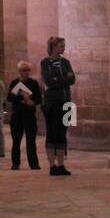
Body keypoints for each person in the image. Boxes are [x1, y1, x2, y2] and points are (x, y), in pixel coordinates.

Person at [40, 37, 76, 176]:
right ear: (54, 46)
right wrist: (64, 79)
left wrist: (59, 80)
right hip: (52, 103)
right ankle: (52, 166)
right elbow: (49, 81)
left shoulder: (66, 62)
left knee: (63, 134)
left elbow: (73, 79)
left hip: (67, 102)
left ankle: (61, 165)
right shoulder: (45, 62)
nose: (64, 48)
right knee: (52, 133)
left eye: (64, 45)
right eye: (61, 45)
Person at [6, 62, 42, 169]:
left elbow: (39, 98)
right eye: (24, 70)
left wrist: (32, 102)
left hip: (29, 115)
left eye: (28, 70)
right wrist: (22, 98)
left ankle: (34, 164)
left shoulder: (33, 83)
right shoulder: (15, 83)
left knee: (31, 141)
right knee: (16, 141)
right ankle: (15, 164)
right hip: (17, 116)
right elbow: (9, 98)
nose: (26, 72)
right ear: (19, 71)